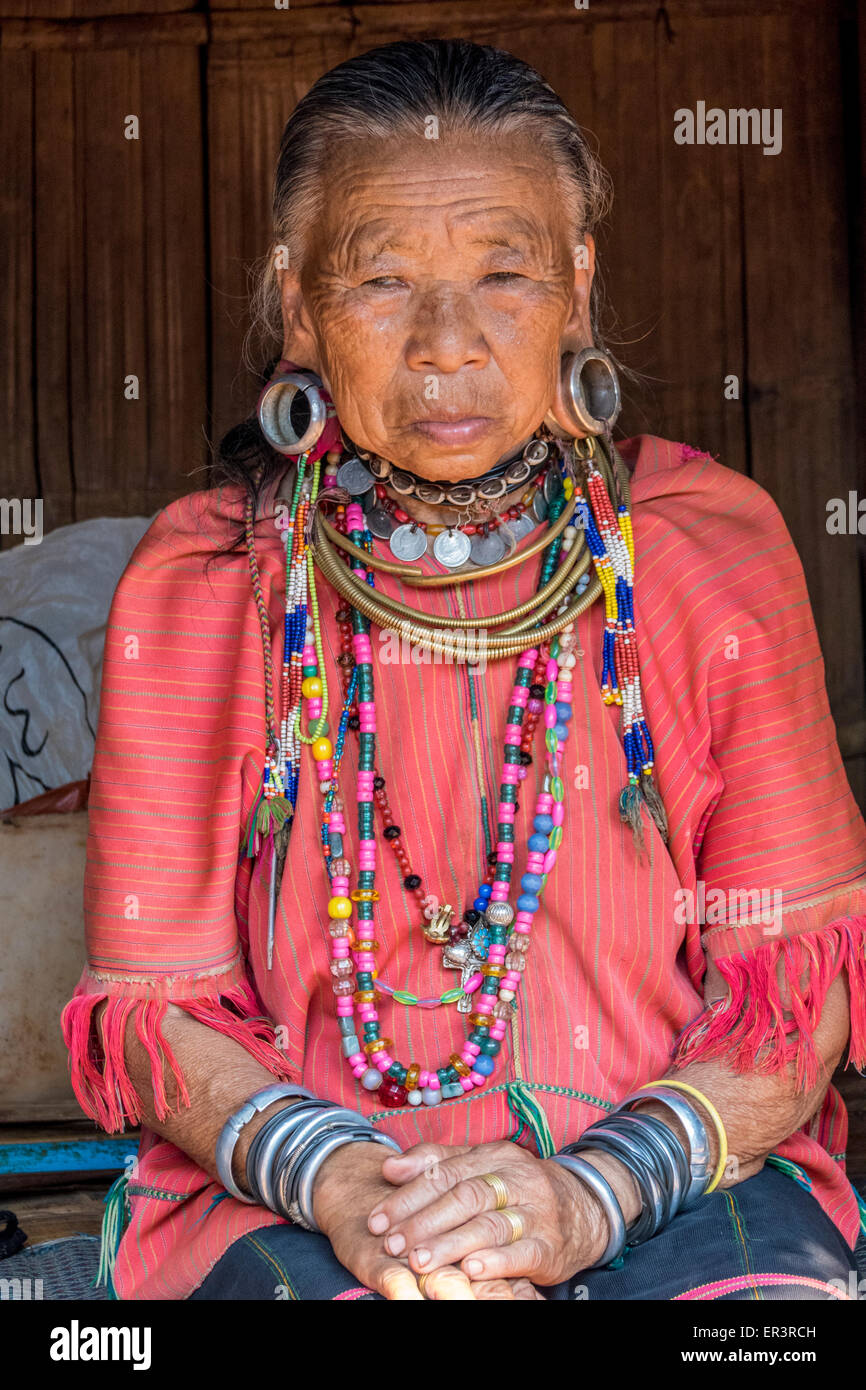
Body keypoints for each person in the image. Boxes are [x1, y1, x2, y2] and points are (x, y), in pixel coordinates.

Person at [62, 38, 866, 1301]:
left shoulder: (708, 550)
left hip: (673, 1173)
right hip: (299, 1187)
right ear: (298, 306)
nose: (448, 343)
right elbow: (154, 1011)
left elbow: (792, 989)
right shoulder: (206, 584)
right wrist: (344, 1189)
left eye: (504, 274)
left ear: (577, 292)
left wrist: (588, 1194)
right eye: (382, 280)